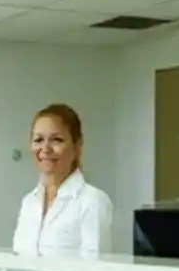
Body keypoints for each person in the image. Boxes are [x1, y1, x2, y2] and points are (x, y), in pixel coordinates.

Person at [12, 103, 114, 257]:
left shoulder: (92, 201)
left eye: (57, 140)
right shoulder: (28, 202)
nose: (45, 149)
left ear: (77, 146)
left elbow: (96, 270)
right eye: (38, 140)